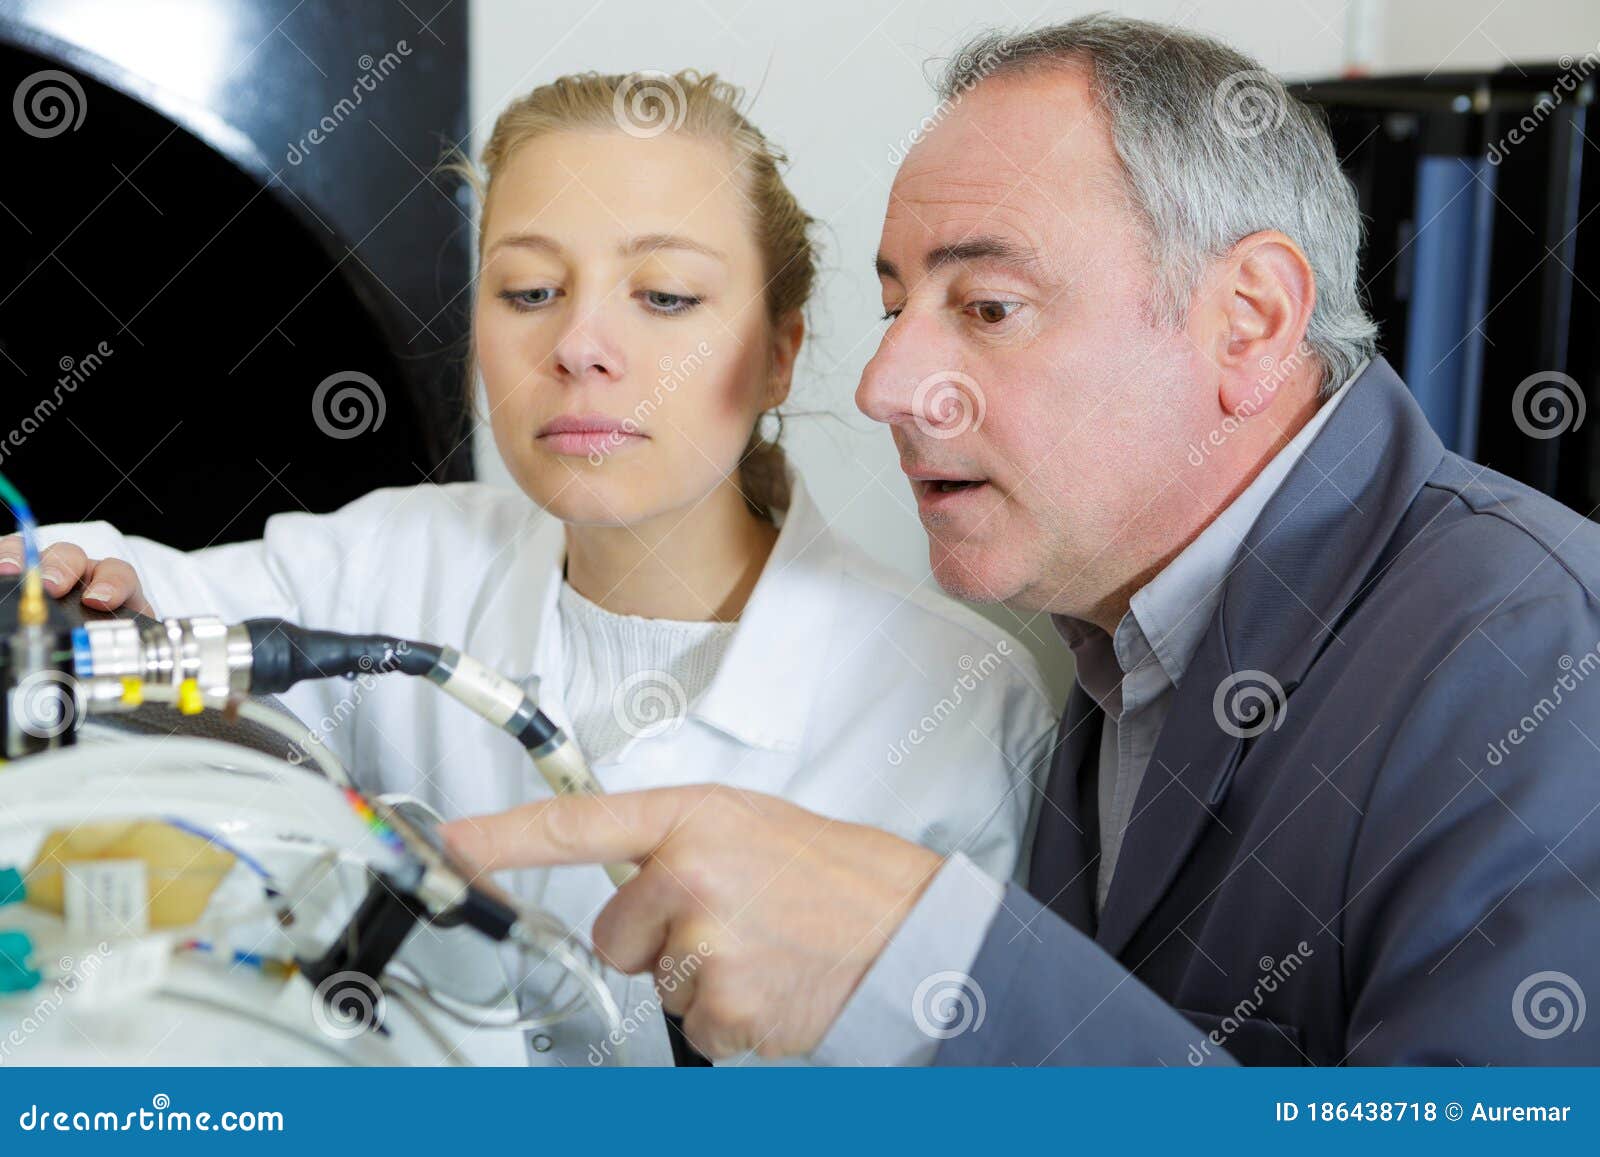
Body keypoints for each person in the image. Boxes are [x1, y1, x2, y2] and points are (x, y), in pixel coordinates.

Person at [441, 17, 1600, 1065]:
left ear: (1248, 320)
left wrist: (928, 968)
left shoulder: (1535, 656)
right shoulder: (1112, 644)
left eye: (987, 307)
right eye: (894, 308)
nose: (884, 385)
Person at [0, 71, 1054, 1065]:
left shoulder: (957, 701)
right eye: (530, 289)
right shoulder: (398, 563)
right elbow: (128, 593)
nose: (579, 344)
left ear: (778, 354)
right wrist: (68, 592)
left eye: (665, 296)